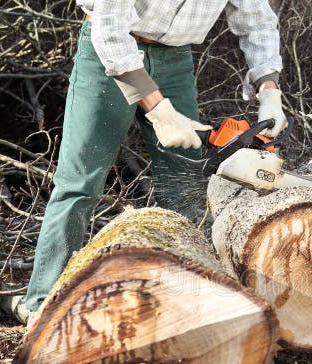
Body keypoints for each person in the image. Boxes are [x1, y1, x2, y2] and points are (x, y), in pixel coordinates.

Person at [19, 0, 287, 323]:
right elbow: (109, 28)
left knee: (186, 192)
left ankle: (190, 305)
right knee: (79, 185)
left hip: (174, 59)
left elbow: (255, 18)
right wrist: (158, 110)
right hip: (109, 50)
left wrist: (269, 88)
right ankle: (42, 305)